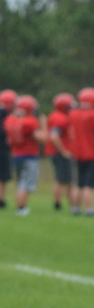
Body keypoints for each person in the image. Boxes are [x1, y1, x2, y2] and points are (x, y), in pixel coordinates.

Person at [46, 93, 75, 212]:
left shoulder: (55, 115)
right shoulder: (59, 118)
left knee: (64, 179)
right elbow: (54, 136)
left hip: (55, 152)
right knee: (64, 180)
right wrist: (63, 151)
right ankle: (60, 204)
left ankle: (62, 203)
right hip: (59, 153)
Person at [69, 88, 94, 217]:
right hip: (91, 153)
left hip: (77, 153)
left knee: (79, 182)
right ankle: (89, 209)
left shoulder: (73, 113)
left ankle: (75, 207)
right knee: (88, 184)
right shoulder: (92, 115)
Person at [0, 90, 16, 210]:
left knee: (1, 176)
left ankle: (0, 199)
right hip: (0, 149)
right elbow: (1, 133)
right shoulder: (0, 116)